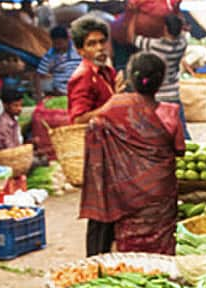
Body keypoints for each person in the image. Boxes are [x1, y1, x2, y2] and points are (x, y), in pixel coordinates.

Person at [80, 52, 185, 257]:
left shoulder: (115, 105)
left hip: (127, 194)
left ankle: (130, 266)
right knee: (161, 243)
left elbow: (92, 124)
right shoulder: (171, 113)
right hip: (160, 194)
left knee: (131, 241)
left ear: (130, 78)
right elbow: (180, 149)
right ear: (162, 81)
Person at [135, 13, 190, 139]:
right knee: (180, 130)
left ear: (165, 28)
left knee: (159, 131)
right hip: (174, 94)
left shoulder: (155, 45)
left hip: (159, 94)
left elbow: (133, 38)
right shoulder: (182, 44)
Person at [67, 14, 117, 124]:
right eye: (92, 44)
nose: (100, 48)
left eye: (102, 41)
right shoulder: (83, 76)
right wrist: (112, 106)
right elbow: (78, 119)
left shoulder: (108, 71)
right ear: (80, 51)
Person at [34, 26, 80, 98]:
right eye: (55, 44)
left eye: (60, 43)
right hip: (60, 93)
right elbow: (38, 75)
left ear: (68, 40)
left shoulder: (79, 51)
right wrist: (39, 96)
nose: (57, 46)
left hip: (79, 92)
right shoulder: (50, 55)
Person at [0, 87, 24, 152]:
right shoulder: (2, 124)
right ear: (5, 105)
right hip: (0, 159)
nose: (19, 108)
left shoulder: (13, 120)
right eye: (15, 105)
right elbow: (7, 149)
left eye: (21, 105)